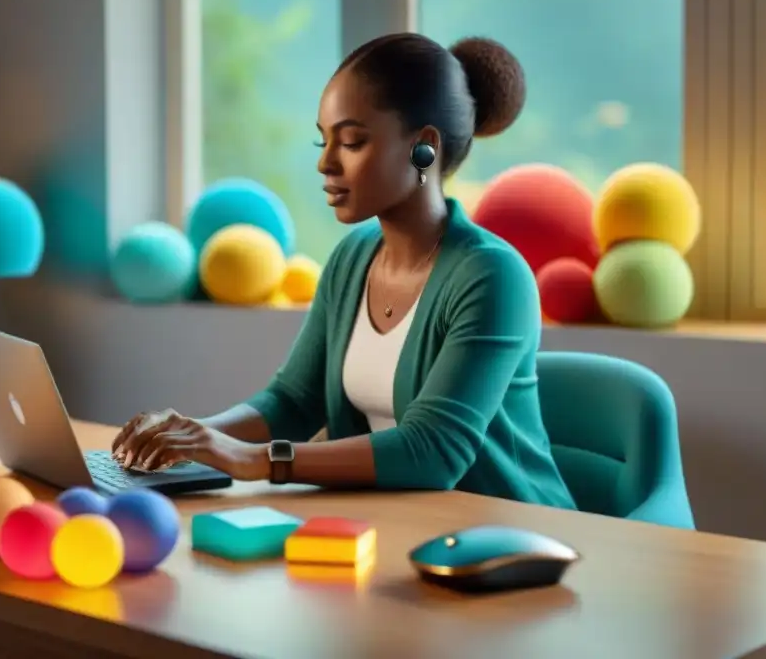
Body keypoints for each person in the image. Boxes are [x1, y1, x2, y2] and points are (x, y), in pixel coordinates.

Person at [112, 32, 575, 509]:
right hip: (397, 528)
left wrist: (255, 459)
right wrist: (193, 436)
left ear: (424, 148)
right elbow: (294, 401)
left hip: (512, 536)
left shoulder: (492, 276)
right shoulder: (354, 257)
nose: (325, 162)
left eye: (352, 141)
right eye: (324, 139)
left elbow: (434, 451)